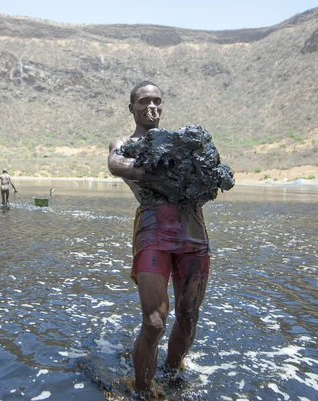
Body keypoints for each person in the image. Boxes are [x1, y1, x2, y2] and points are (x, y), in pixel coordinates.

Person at [107, 81, 211, 396]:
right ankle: (141, 390)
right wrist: (159, 173)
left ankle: (172, 371)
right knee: (154, 322)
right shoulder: (125, 143)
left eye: (157, 101)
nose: (152, 106)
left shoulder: (179, 143)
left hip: (192, 230)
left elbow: (210, 175)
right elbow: (116, 164)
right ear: (132, 108)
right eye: (144, 101)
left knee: (189, 313)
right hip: (153, 230)